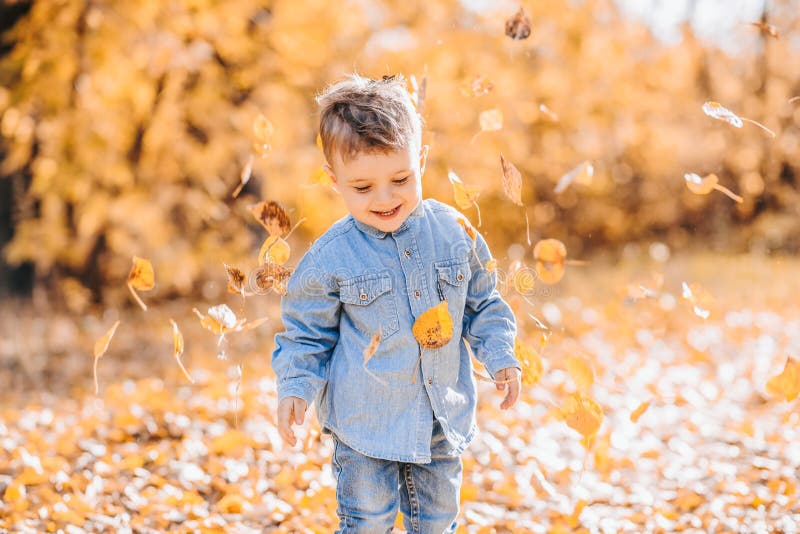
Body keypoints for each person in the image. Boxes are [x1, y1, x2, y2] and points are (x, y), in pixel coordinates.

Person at [271, 73, 521, 534]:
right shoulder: (331, 256)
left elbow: (484, 303)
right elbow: (306, 334)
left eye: (401, 179)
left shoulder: (454, 233)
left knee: (438, 522)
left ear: (421, 159)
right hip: (364, 426)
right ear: (334, 180)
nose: (385, 199)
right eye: (362, 188)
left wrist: (501, 355)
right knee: (367, 523)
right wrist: (295, 387)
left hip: (440, 419)